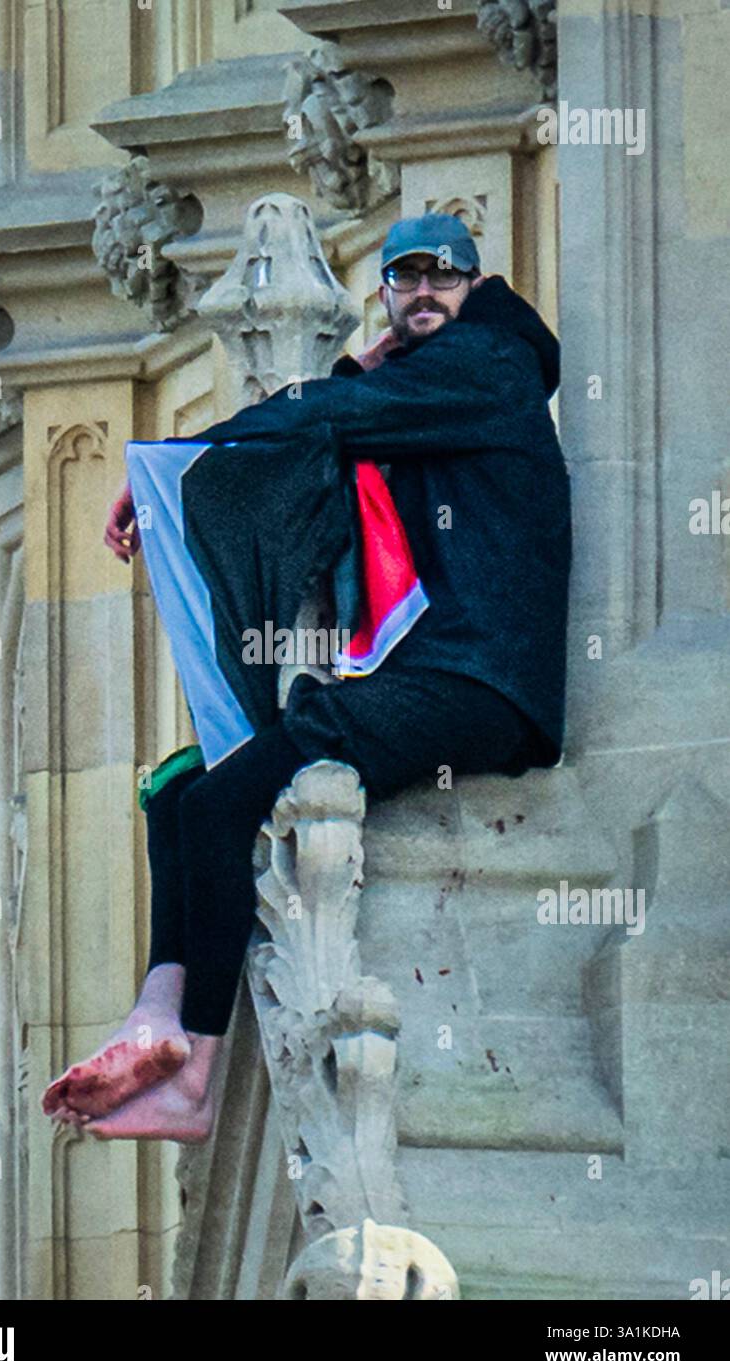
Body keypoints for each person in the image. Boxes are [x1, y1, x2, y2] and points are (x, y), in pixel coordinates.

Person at [40, 213, 571, 1142]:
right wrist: (356, 379)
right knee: (183, 791)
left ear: (475, 286)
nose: (420, 295)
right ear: (384, 298)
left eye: (439, 279)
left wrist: (170, 469)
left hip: (477, 683)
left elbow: (319, 423)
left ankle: (190, 1070)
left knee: (220, 801)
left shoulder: (491, 363)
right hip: (439, 674)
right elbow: (331, 459)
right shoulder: (439, 383)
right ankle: (162, 1022)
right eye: (402, 282)